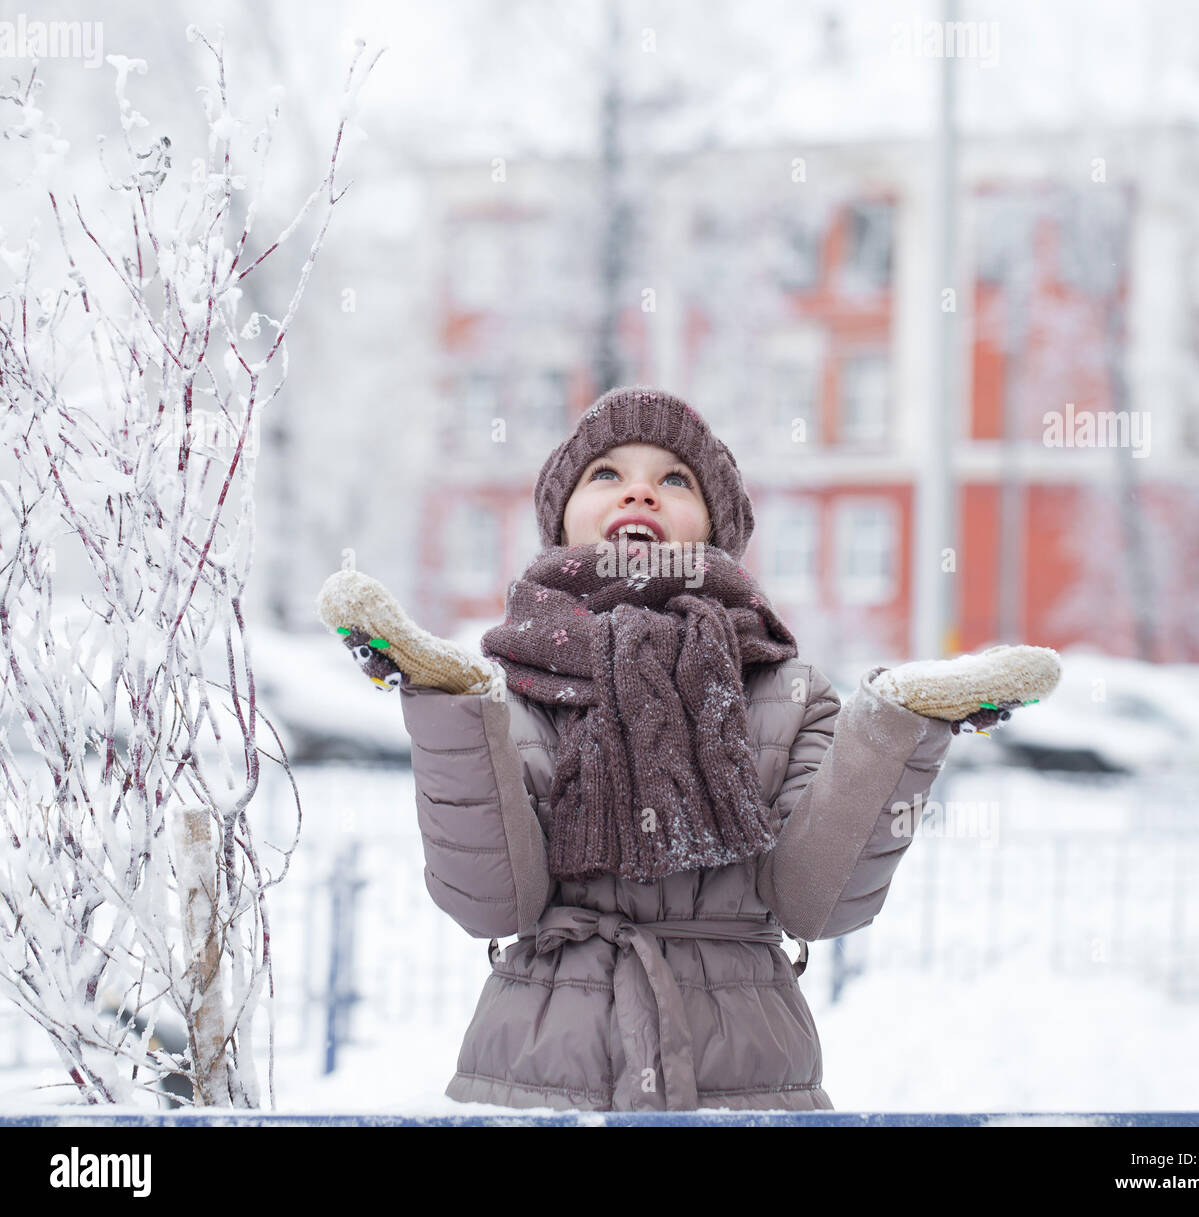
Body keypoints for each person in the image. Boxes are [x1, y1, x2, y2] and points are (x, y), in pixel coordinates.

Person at [316, 384, 1059, 1112]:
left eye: (674, 479)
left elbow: (813, 900)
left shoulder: (785, 689)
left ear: (713, 526)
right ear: (562, 516)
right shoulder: (512, 688)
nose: (639, 493)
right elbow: (493, 900)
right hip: (541, 1080)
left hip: (743, 1079)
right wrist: (450, 704)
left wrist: (898, 727)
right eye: (606, 473)